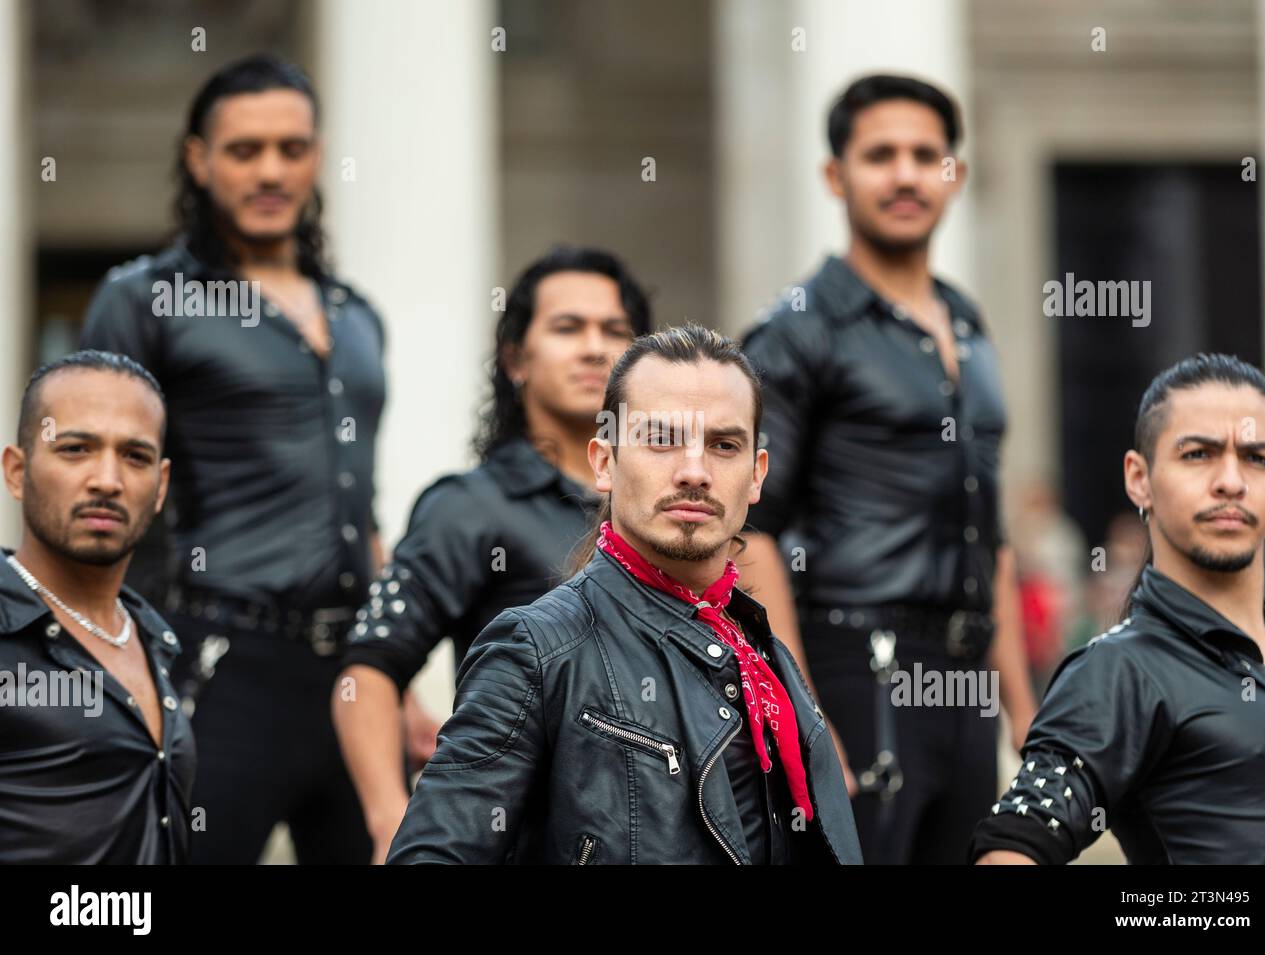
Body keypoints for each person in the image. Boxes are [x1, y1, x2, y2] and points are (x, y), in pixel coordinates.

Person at [387, 324, 862, 864]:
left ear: (756, 476)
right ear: (605, 462)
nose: (694, 472)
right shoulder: (535, 650)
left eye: (723, 445)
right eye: (661, 439)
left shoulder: (764, 658)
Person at [80, 54, 385, 863]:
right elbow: (92, 492)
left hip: (355, 672)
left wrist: (391, 665)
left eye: (291, 149)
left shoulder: (357, 317)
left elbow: (365, 507)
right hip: (215, 662)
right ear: (199, 159)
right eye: (245, 150)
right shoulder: (144, 298)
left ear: (316, 156)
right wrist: (111, 667)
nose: (270, 171)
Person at [739, 73, 1036, 863]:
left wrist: (1023, 709)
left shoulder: (969, 324)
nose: (905, 174)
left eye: (925, 155)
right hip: (854, 667)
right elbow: (749, 529)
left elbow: (993, 534)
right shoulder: (799, 330)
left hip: (965, 676)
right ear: (836, 176)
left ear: (955, 175)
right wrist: (799, 709)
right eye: (880, 155)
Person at [334, 246, 651, 863]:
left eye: (614, 331)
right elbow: (367, 671)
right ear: (515, 359)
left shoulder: (667, 505)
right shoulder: (471, 506)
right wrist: (391, 823)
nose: (594, 348)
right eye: (567, 328)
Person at [972, 354, 1265, 864]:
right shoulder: (1119, 671)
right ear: (1139, 478)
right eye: (1198, 454)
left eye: (1256, 458)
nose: (1231, 481)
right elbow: (1011, 848)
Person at [0, 351, 195, 863]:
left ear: (161, 486)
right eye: (76, 449)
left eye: (135, 456)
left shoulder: (158, 641)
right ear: (17, 472)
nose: (107, 480)